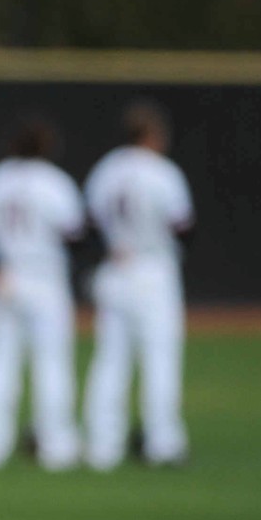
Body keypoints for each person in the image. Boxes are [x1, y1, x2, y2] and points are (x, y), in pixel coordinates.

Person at [0, 119, 86, 471]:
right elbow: (75, 235)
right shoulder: (55, 183)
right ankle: (56, 447)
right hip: (43, 276)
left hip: (4, 275)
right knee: (51, 364)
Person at [82, 100, 195, 469]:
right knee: (159, 359)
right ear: (151, 135)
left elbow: (89, 225)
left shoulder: (106, 170)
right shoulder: (162, 172)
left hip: (115, 269)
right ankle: (163, 443)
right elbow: (183, 225)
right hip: (152, 269)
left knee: (110, 360)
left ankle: (102, 446)